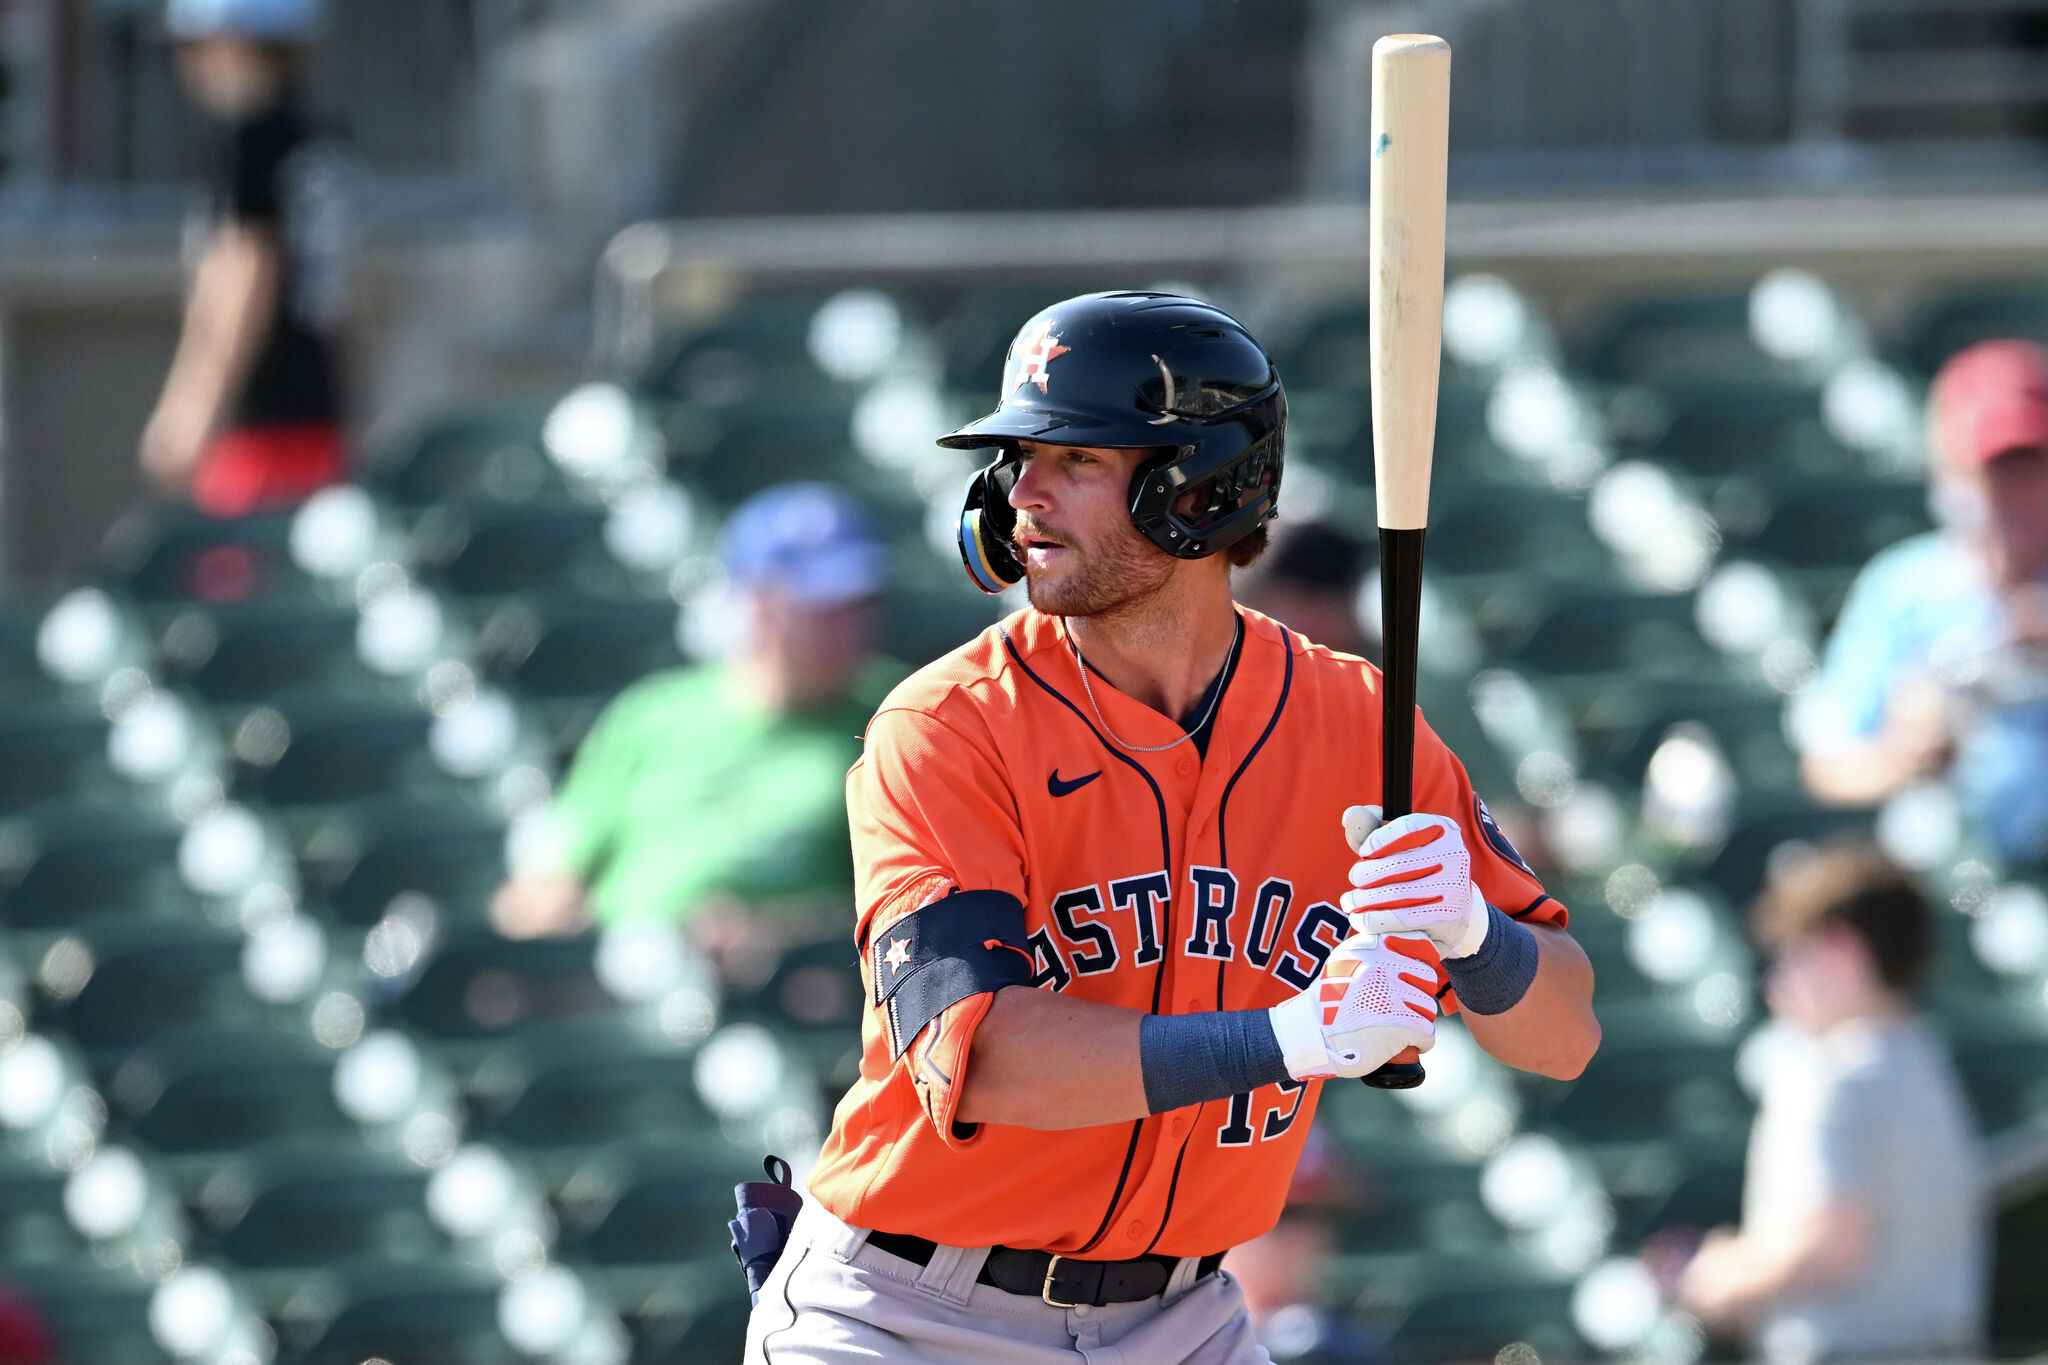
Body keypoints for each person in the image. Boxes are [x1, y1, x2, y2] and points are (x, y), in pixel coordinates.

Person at [743, 291, 1599, 1363]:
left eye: (1077, 462)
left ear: (1197, 489)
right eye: (1015, 460)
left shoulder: (1355, 723)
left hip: (1178, 1320)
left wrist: (1476, 934)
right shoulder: (946, 729)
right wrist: (1292, 1039)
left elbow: (1563, 1035)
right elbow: (986, 1061)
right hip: (906, 1311)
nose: (1023, 496)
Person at [491, 482, 896, 978]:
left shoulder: (895, 720)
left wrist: (777, 933)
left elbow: (905, 906)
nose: (847, 627)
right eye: (820, 607)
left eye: (857, 604)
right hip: (624, 971)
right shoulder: (651, 714)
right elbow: (546, 883)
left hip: (789, 988)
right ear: (759, 604)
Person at [1676, 840, 1984, 1362]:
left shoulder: (1831, 1076)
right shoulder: (1927, 1063)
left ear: (1841, 951)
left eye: (1788, 959)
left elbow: (1832, 1243)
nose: (1775, 986)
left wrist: (1719, 1276)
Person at [1794, 338, 2048, 868]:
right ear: (1950, 471)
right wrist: (1906, 753)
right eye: (1994, 466)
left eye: (2030, 464)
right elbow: (1826, 763)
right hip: (1945, 885)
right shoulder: (1904, 588)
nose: (2012, 490)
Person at [142, 0, 349, 517]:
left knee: (231, 582)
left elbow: (244, 270)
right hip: (319, 415)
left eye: (190, 45)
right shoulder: (314, 134)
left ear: (231, 43)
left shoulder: (249, 140)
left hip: (257, 432)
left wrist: (191, 406)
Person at [1224, 1127, 1383, 1364]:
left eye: (1321, 1216)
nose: (1305, 1239)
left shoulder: (1350, 1346)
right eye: (1283, 1218)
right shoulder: (1175, 1342)